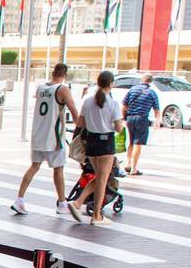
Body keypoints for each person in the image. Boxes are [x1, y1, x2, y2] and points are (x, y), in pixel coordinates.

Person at [11, 63, 80, 216]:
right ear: (65, 75)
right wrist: (80, 125)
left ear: (53, 72)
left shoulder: (41, 88)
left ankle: (19, 199)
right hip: (53, 137)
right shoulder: (62, 89)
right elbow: (73, 109)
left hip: (38, 134)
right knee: (58, 168)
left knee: (34, 166)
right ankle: (62, 203)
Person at [70, 70, 125, 226]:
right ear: (111, 84)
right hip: (106, 143)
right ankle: (96, 216)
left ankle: (78, 202)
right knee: (102, 180)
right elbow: (119, 128)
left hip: (91, 143)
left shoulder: (87, 101)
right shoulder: (113, 104)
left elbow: (80, 124)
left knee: (100, 177)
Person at [122, 73, 160, 176]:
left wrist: (123, 118)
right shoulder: (152, 93)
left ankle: (128, 162)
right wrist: (157, 122)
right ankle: (133, 168)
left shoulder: (132, 89)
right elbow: (156, 109)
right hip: (142, 119)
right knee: (137, 143)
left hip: (130, 118)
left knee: (130, 141)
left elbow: (124, 105)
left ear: (141, 80)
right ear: (150, 82)